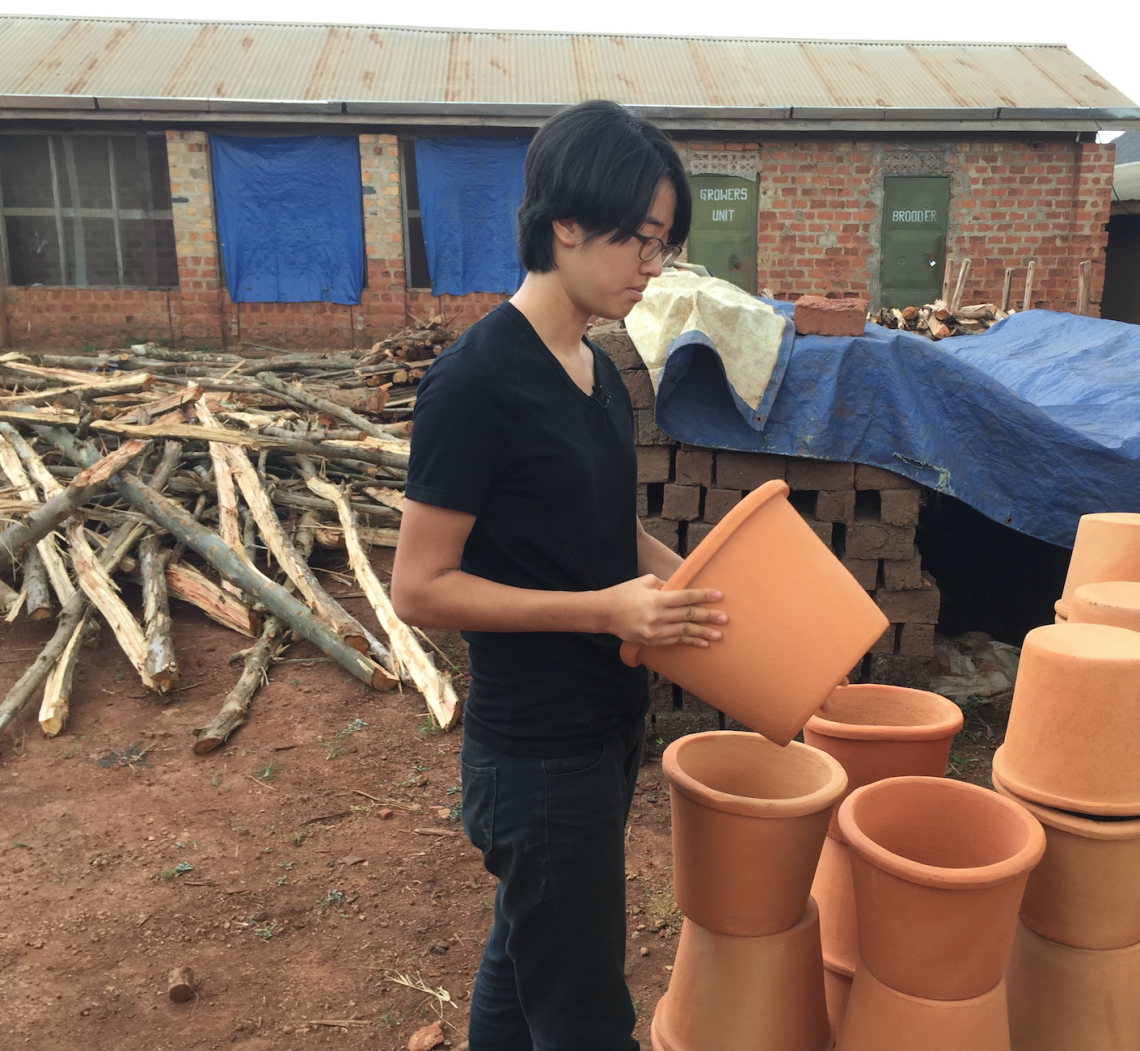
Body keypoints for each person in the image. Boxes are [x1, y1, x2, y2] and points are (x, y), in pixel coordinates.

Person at [391, 99, 726, 1051]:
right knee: (584, 1010)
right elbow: (419, 587)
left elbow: (603, 529)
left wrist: (698, 581)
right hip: (534, 755)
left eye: (664, 244)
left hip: (605, 732)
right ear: (565, 222)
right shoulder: (476, 381)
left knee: (525, 950)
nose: (654, 265)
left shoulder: (596, 367)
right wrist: (599, 611)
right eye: (642, 240)